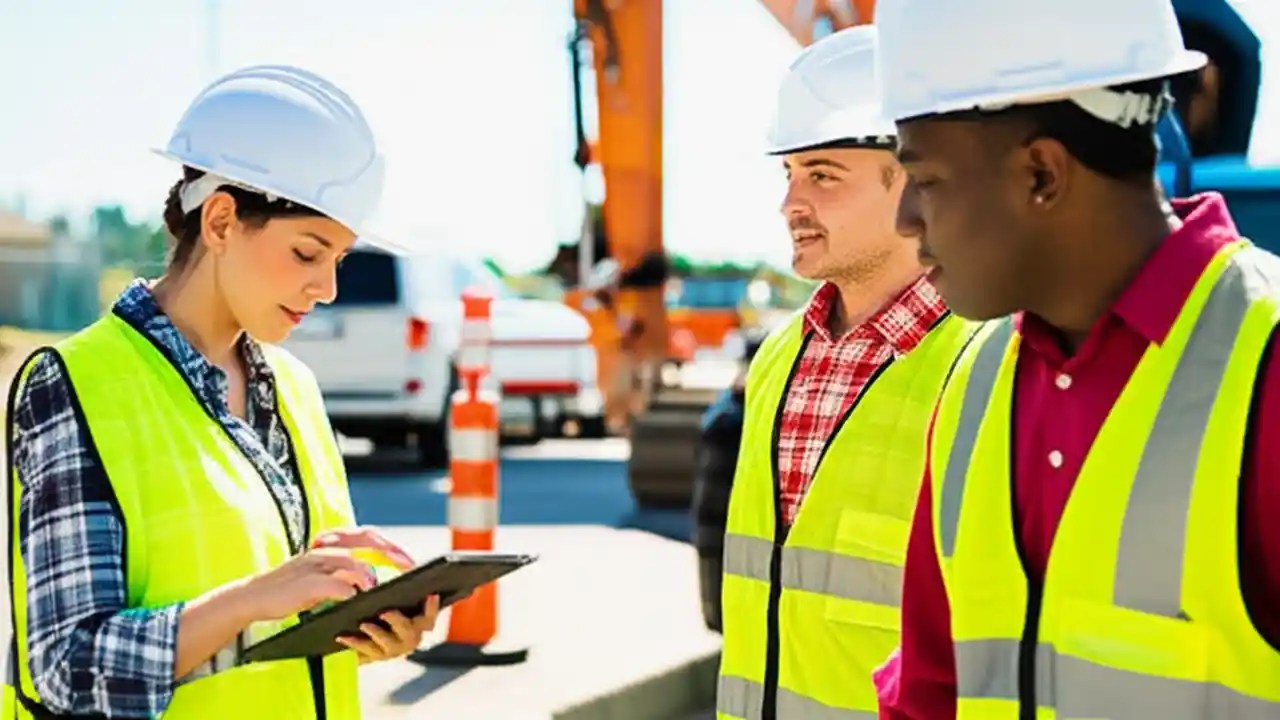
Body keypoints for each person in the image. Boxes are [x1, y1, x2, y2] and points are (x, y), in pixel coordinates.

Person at [872, 0, 1280, 716]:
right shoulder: (974, 384)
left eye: (925, 179)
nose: (905, 219)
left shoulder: (1267, 366)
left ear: (1041, 176)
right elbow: (929, 692)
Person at [4, 65, 440, 718]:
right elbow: (68, 669)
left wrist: (357, 625)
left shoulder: (295, 389)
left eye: (339, 261)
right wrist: (255, 598)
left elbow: (269, 635)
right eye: (307, 253)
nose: (328, 290)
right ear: (221, 220)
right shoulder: (74, 387)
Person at [715, 25, 981, 719]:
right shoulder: (778, 356)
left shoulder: (988, 362)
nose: (789, 204)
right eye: (790, 174)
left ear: (913, 184)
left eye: (823, 176)